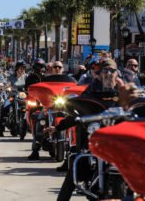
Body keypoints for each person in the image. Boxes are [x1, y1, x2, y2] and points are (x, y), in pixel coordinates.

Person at [57, 59, 124, 201]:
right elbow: (80, 109)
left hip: (120, 140)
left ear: (117, 73)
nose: (109, 74)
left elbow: (138, 106)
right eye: (105, 71)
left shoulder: (124, 91)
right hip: (96, 138)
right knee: (76, 164)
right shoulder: (91, 91)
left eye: (112, 71)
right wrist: (57, 127)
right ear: (99, 75)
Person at [0, 60, 28, 137]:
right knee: (4, 108)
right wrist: (4, 87)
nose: (22, 69)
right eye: (21, 68)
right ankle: (0, 130)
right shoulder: (11, 77)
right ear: (17, 68)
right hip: (12, 97)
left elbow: (30, 84)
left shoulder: (26, 77)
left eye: (23, 68)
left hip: (24, 97)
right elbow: (7, 84)